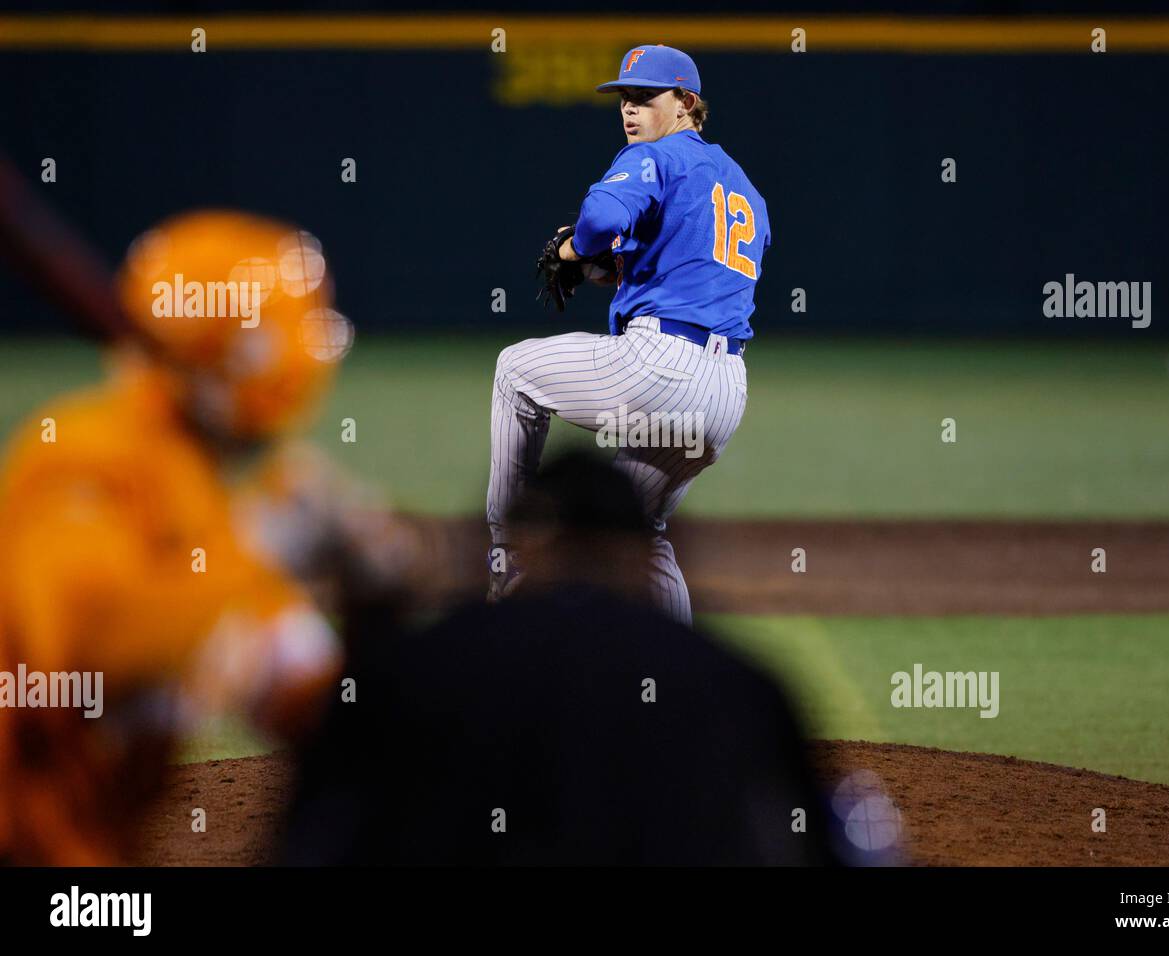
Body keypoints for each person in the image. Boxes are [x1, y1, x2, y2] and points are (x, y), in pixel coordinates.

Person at [0, 210, 350, 864]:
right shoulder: (82, 461)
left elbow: (294, 681)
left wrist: (388, 602)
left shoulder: (213, 491)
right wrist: (263, 544)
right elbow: (87, 647)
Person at [282, 450, 833, 865]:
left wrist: (370, 630)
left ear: (520, 548)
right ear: (648, 558)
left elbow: (314, 836)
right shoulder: (738, 684)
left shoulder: (413, 669)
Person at [488, 44, 770, 625]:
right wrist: (612, 266)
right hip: (724, 392)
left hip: (660, 366)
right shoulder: (748, 193)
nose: (629, 110)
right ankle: (680, 678)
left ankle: (505, 552)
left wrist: (574, 249)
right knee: (642, 534)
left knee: (516, 370)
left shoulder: (658, 158)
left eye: (644, 97)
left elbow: (599, 219)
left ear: (687, 103)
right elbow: (691, 266)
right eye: (624, 98)